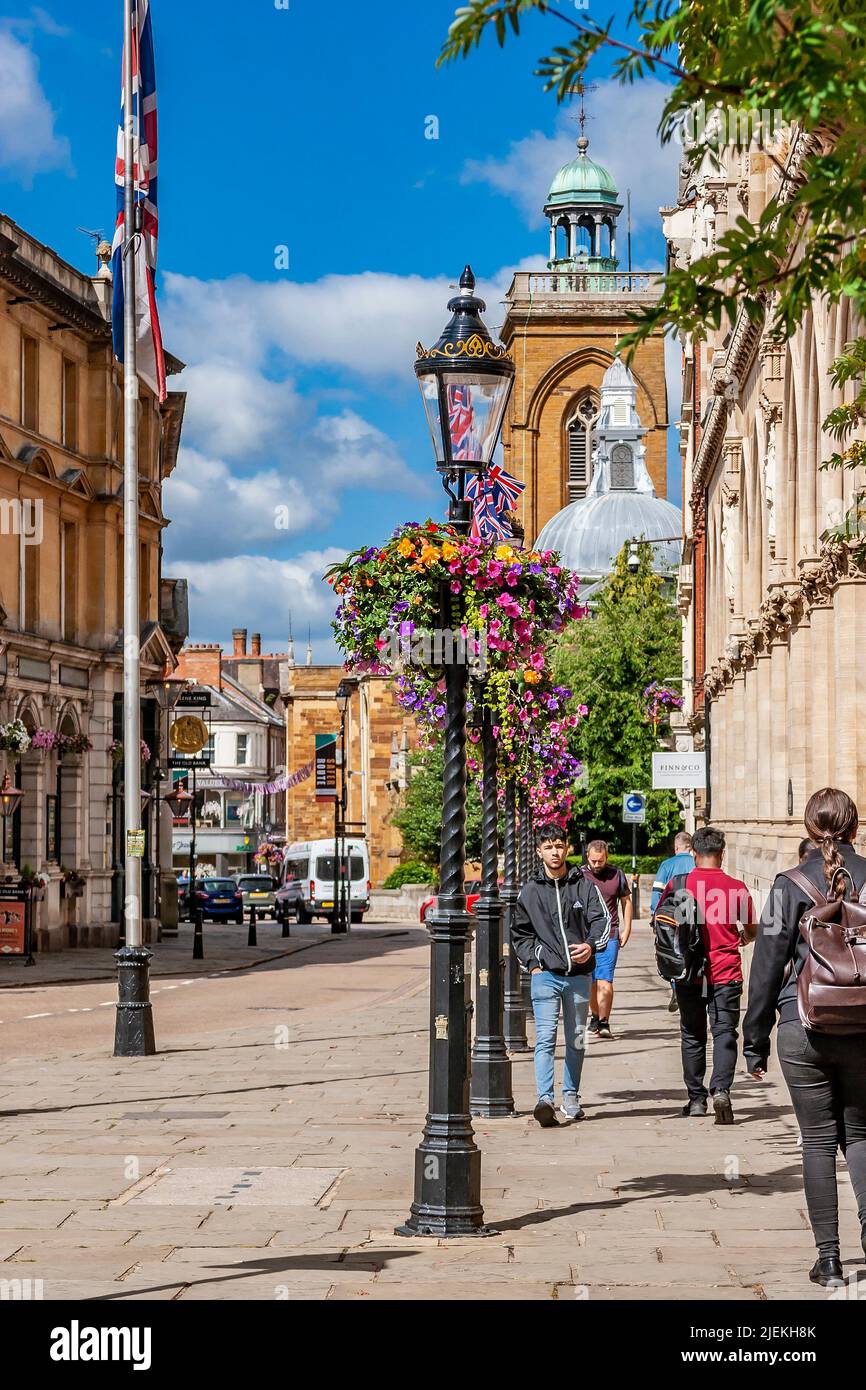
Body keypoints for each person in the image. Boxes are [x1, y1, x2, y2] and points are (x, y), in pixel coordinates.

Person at [744, 788, 866, 1289]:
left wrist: (754, 1038)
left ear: (808, 829)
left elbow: (768, 963)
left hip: (804, 1024)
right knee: (861, 1136)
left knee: (817, 1141)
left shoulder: (787, 884)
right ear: (855, 827)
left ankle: (830, 1261)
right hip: (863, 1026)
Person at [512, 824, 610, 1126]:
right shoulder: (530, 891)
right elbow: (520, 934)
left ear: (567, 848)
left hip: (579, 976)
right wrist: (535, 962)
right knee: (544, 1038)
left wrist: (591, 947)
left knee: (577, 1038)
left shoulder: (584, 885)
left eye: (559, 845)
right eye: (548, 847)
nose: (555, 852)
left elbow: (601, 920)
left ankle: (570, 1095)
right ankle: (545, 1099)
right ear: (539, 851)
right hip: (546, 976)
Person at [661, 826, 755, 1124]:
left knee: (692, 1034)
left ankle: (696, 1099)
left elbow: (662, 923)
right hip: (726, 970)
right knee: (725, 1032)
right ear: (722, 854)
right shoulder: (736, 887)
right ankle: (722, 1091)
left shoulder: (680, 883)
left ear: (694, 854)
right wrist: (741, 936)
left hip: (689, 973)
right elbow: (752, 929)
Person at [581, 840, 632, 1039]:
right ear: (587, 856)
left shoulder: (616, 875)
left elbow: (626, 902)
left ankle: (604, 1022)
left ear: (606, 857)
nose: (596, 864)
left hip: (610, 935)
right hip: (585, 937)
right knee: (590, 982)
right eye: (593, 860)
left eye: (600, 861)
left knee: (605, 980)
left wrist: (627, 929)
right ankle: (595, 1015)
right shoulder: (579, 875)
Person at [651, 832, 696, 1013]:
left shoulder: (666, 865)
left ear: (676, 847)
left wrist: (655, 915)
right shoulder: (697, 863)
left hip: (669, 917)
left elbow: (657, 893)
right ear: (691, 848)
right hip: (693, 916)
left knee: (670, 952)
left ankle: (676, 987)